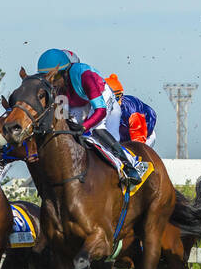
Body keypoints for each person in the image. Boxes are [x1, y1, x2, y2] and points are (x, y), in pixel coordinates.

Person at [36, 48, 137, 185]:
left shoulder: (85, 76)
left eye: (54, 77)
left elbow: (100, 110)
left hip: (100, 98)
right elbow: (60, 119)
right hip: (78, 101)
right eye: (47, 77)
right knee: (65, 127)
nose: (51, 82)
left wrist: (84, 127)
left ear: (65, 72)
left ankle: (129, 167)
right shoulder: (57, 88)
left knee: (96, 129)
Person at [105, 74, 156, 150]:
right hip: (121, 137)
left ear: (121, 96)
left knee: (134, 155)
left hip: (144, 135)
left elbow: (139, 139)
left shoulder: (131, 110)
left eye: (116, 97)